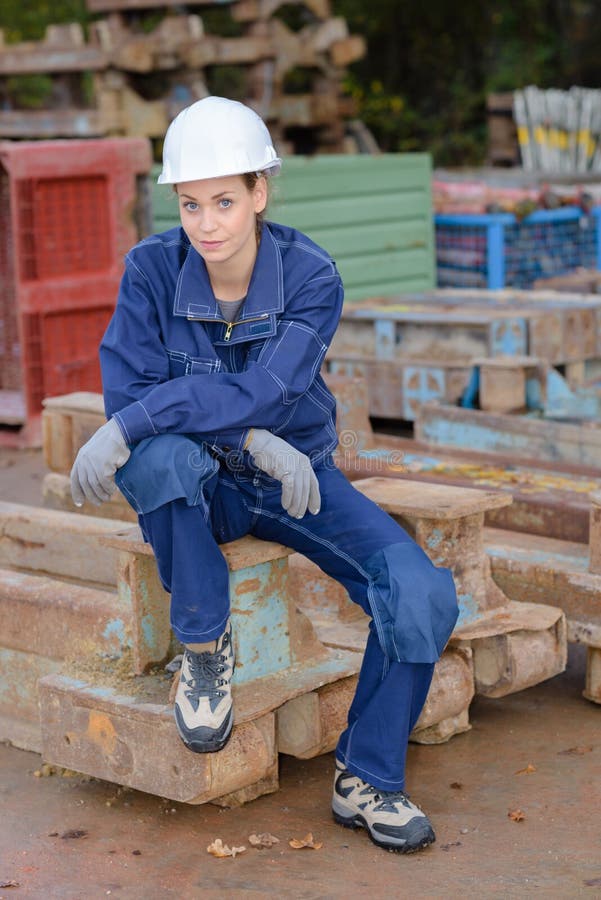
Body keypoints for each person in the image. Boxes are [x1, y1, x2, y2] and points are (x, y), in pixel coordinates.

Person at [70, 96, 458, 854]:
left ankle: (367, 776)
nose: (206, 222)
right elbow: (132, 397)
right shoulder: (151, 272)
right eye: (190, 204)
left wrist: (184, 421)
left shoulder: (312, 277)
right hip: (197, 485)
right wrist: (234, 432)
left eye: (224, 200)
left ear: (259, 193)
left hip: (295, 479)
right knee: (157, 457)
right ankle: (205, 646)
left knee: (417, 590)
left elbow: (267, 390)